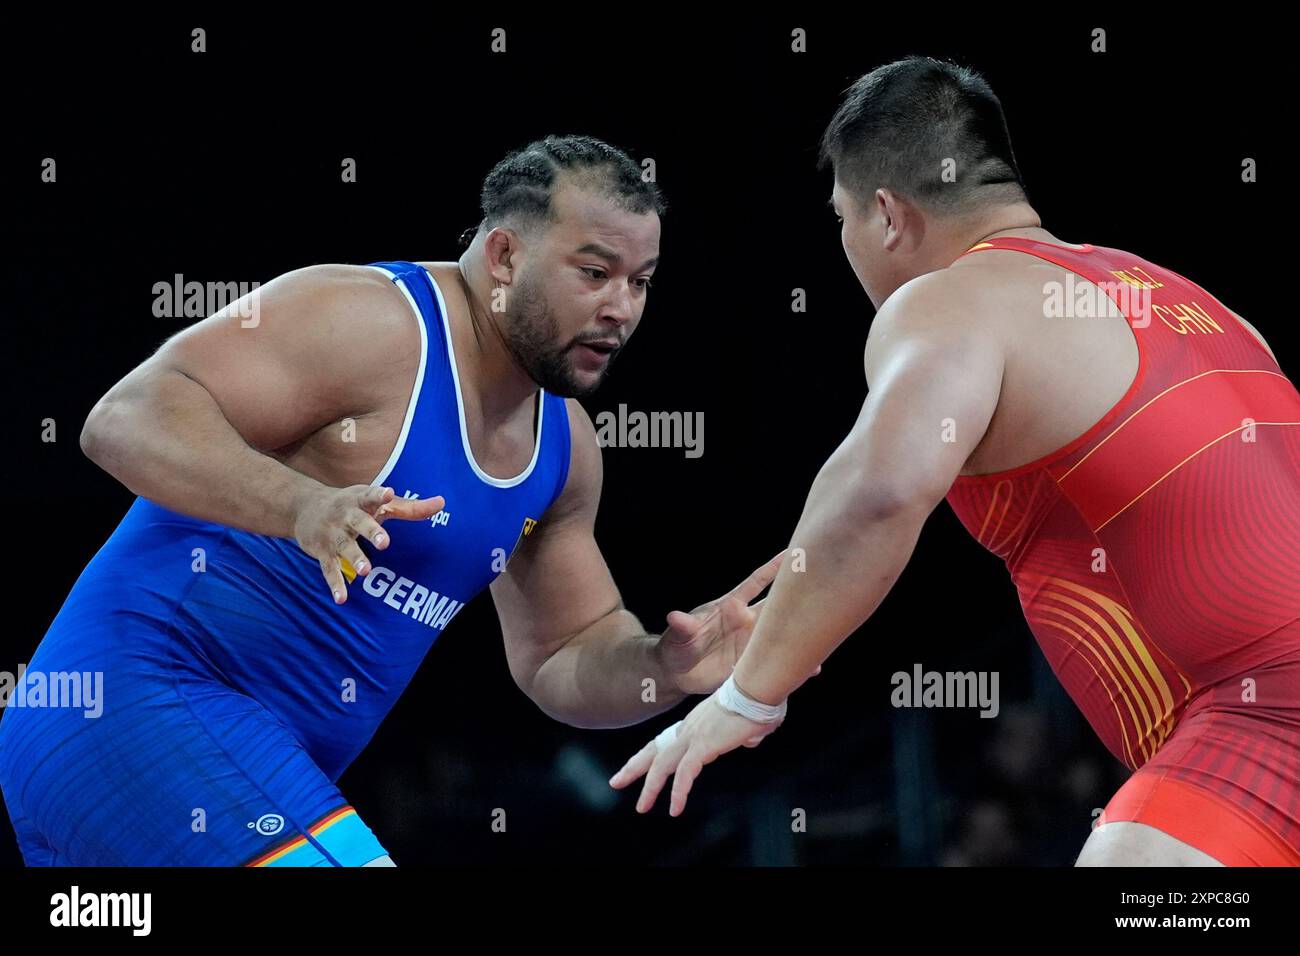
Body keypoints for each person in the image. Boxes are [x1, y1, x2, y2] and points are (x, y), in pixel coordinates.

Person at [0, 135, 778, 866]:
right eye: (594, 271)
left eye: (640, 281)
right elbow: (122, 420)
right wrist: (301, 504)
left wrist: (664, 668)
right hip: (134, 708)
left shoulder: (564, 451)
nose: (622, 308)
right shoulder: (370, 322)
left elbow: (562, 656)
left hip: (212, 776)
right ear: (504, 254)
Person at [611, 58, 1300, 867]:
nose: (846, 248)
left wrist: (747, 695)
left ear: (888, 216)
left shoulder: (951, 299)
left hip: (1257, 731)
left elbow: (878, 491)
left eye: (841, 220)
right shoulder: (1200, 304)